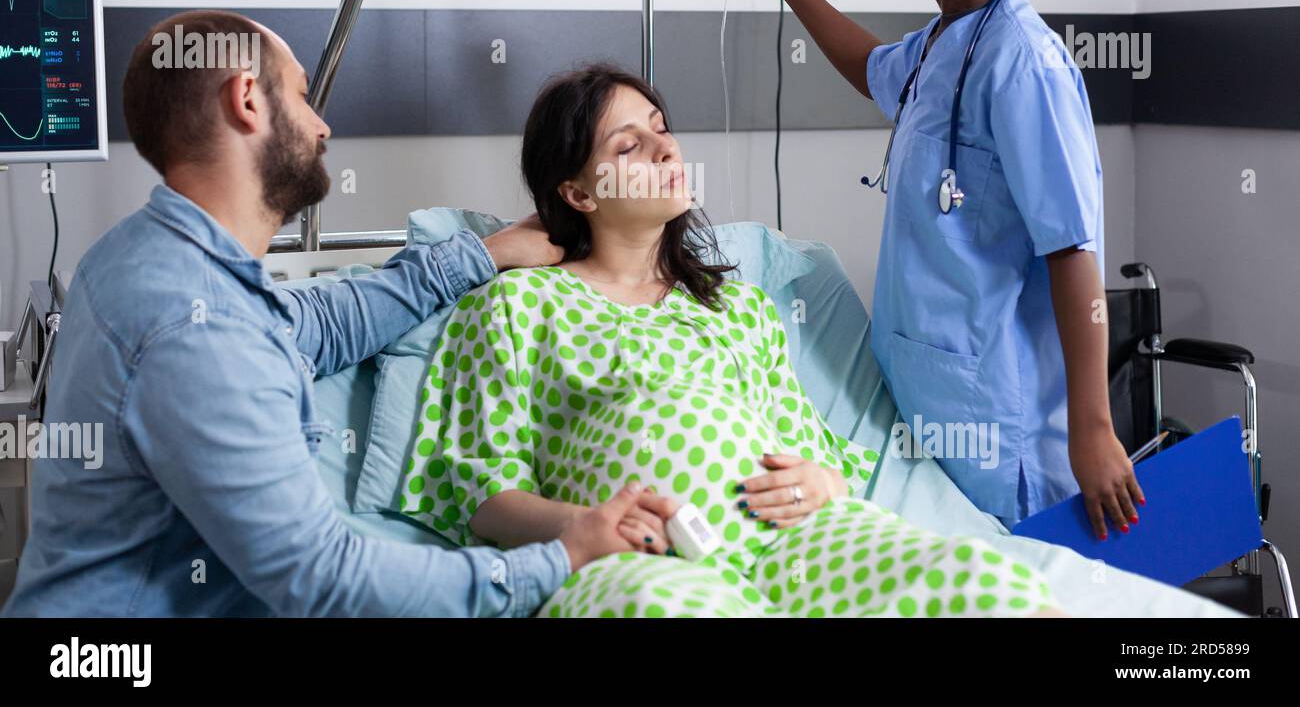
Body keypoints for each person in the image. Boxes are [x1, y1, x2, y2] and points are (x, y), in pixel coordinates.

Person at [1, 10, 668, 618]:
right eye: (300, 95)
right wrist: (557, 560)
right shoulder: (194, 329)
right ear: (248, 101)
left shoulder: (146, 255)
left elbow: (316, 326)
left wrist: (476, 256)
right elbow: (325, 580)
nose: (321, 125)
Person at [396, 63, 1067, 617]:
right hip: (640, 565)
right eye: (629, 146)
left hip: (797, 546)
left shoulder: (738, 307)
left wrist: (825, 485)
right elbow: (486, 499)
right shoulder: (519, 305)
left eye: (662, 130)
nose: (666, 150)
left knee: (985, 583)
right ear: (577, 192)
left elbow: (811, 453)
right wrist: (593, 530)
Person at [721, 0, 1144, 536]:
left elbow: (1074, 253)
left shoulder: (1024, 63)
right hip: (926, 400)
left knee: (1007, 589)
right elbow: (869, 66)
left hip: (995, 417)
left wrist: (1094, 428)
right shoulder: (945, 43)